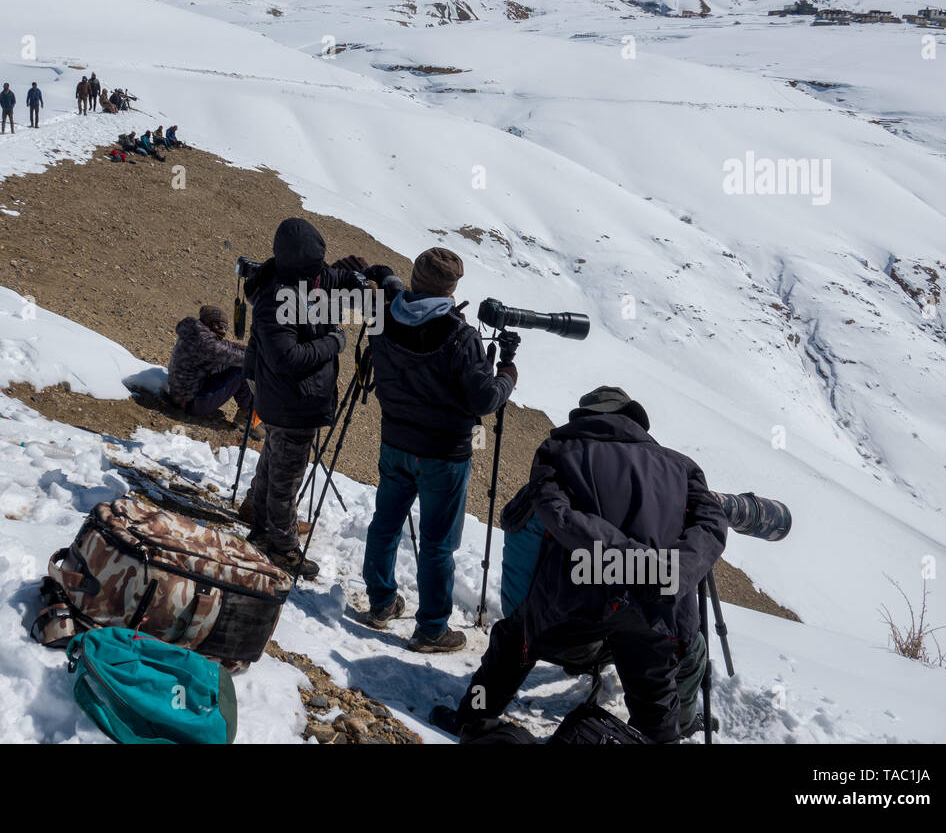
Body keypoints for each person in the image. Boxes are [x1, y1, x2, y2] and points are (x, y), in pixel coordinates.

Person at [438, 387, 728, 742]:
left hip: (576, 595)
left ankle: (472, 718)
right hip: (658, 603)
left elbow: (555, 513)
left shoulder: (558, 452)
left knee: (515, 641)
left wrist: (623, 559)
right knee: (653, 687)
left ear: (586, 418)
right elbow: (712, 525)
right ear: (634, 419)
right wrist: (666, 571)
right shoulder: (682, 467)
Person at [361, 247, 516, 652]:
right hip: (443, 454)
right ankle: (431, 629)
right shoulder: (460, 336)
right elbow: (483, 399)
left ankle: (380, 604)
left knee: (386, 523)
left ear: (414, 278)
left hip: (395, 441)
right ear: (452, 287)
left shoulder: (382, 312)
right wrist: (507, 375)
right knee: (436, 542)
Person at [239, 218, 393, 578]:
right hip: (293, 401)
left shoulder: (290, 277)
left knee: (273, 463)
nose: (320, 273)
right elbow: (287, 358)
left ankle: (263, 529)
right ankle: (283, 548)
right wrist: (334, 342)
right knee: (286, 479)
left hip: (284, 400)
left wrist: (356, 277)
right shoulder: (277, 298)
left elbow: (325, 279)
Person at [168, 304, 262, 436]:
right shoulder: (203, 341)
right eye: (219, 325)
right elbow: (227, 353)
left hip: (186, 396)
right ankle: (248, 418)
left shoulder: (198, 334)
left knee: (234, 364)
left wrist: (257, 352)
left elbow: (229, 346)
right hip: (192, 402)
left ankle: (248, 414)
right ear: (207, 322)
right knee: (241, 369)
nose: (223, 330)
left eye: (225, 327)